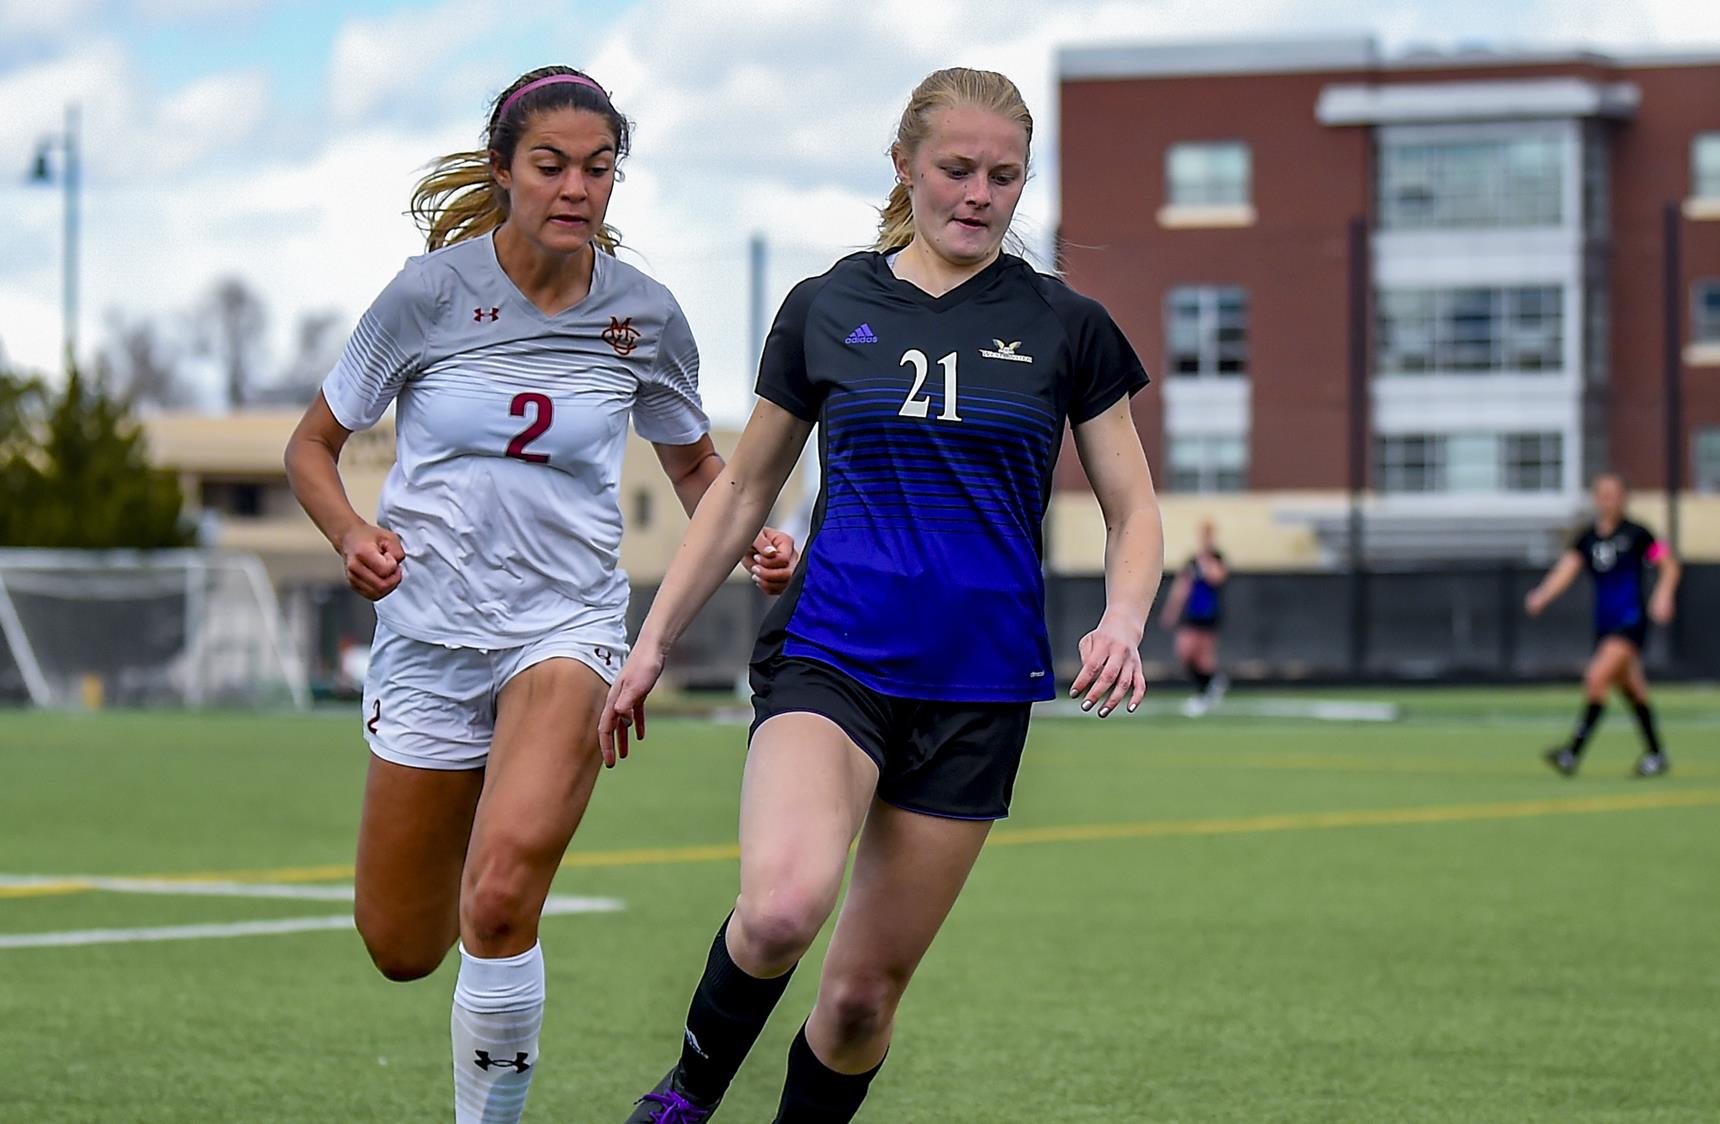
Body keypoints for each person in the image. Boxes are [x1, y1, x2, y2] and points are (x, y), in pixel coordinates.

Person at [598, 67, 1163, 1123]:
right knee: (777, 909)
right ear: (903, 165)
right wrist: (652, 640)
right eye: (955, 168)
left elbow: (1135, 512)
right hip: (833, 654)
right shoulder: (826, 305)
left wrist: (1122, 620)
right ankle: (679, 1101)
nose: (976, 193)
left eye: (1003, 175)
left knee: (858, 999)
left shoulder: (1064, 324)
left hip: (978, 688)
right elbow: (742, 492)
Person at [282, 65, 794, 1123]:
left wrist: (751, 539)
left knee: (503, 896)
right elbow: (311, 446)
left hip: (564, 628)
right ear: (502, 170)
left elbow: (696, 469)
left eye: (598, 169)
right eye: (552, 166)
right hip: (426, 636)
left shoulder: (644, 317)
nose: (576, 188)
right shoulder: (427, 293)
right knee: (401, 945)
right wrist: (350, 535)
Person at [1524, 472, 1679, 778]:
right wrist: (1542, 595)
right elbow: (1566, 569)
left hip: (1630, 621)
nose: (1609, 500)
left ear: (1623, 498)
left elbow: (1668, 564)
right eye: (1603, 494)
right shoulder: (1588, 538)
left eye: (1614, 494)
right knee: (1633, 690)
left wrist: (1663, 594)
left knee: (1596, 678)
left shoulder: (1638, 534)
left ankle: (1572, 753)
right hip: (1604, 625)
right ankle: (1656, 755)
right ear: (1595, 498)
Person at [1160, 519, 1228, 715]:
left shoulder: (1216, 557)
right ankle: (1212, 683)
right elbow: (1182, 586)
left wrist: (1205, 562)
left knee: (1204, 657)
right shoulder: (1192, 561)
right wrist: (1171, 611)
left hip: (1209, 612)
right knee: (1184, 652)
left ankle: (1204, 694)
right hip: (1192, 611)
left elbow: (1217, 577)